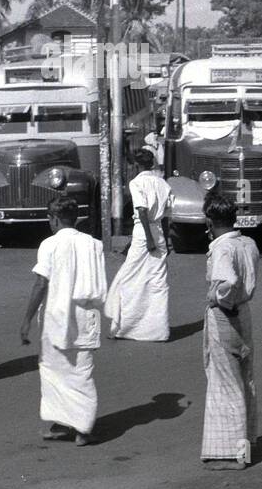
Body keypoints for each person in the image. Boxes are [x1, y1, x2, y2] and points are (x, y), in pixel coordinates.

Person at [20, 196, 108, 445]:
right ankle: (78, 426)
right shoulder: (93, 244)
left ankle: (75, 424)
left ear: (55, 219)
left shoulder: (49, 244)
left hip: (56, 317)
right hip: (86, 316)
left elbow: (40, 284)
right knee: (81, 372)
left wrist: (26, 320)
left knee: (54, 370)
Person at [200, 194, 259, 471]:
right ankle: (245, 449)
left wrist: (221, 299)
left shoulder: (222, 248)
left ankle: (234, 456)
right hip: (244, 315)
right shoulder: (247, 243)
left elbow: (229, 281)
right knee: (244, 379)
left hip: (226, 315)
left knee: (226, 383)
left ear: (210, 221)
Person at [105, 148, 174, 341]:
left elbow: (142, 211)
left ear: (136, 165)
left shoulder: (137, 183)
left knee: (128, 278)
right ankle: (158, 330)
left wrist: (149, 240)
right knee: (157, 281)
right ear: (152, 163)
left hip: (144, 234)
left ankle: (124, 327)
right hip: (158, 231)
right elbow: (167, 217)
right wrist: (164, 241)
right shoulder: (163, 184)